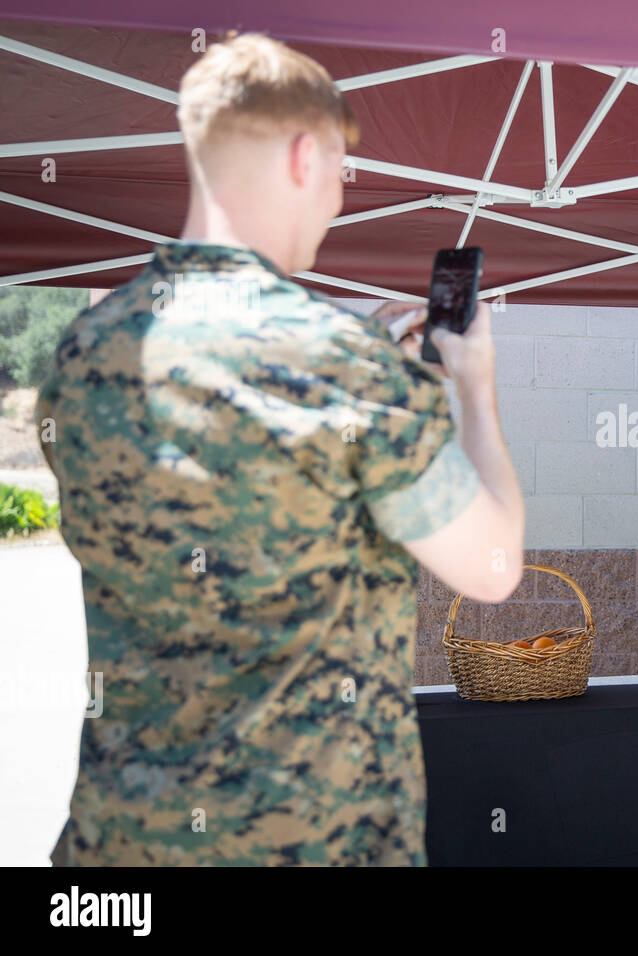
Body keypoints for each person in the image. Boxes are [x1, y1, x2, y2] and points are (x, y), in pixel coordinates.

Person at [38, 32, 524, 865]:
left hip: (114, 857)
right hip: (309, 842)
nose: (338, 201)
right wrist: (472, 389)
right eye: (341, 173)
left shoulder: (86, 352)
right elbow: (492, 569)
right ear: (305, 156)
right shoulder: (345, 366)